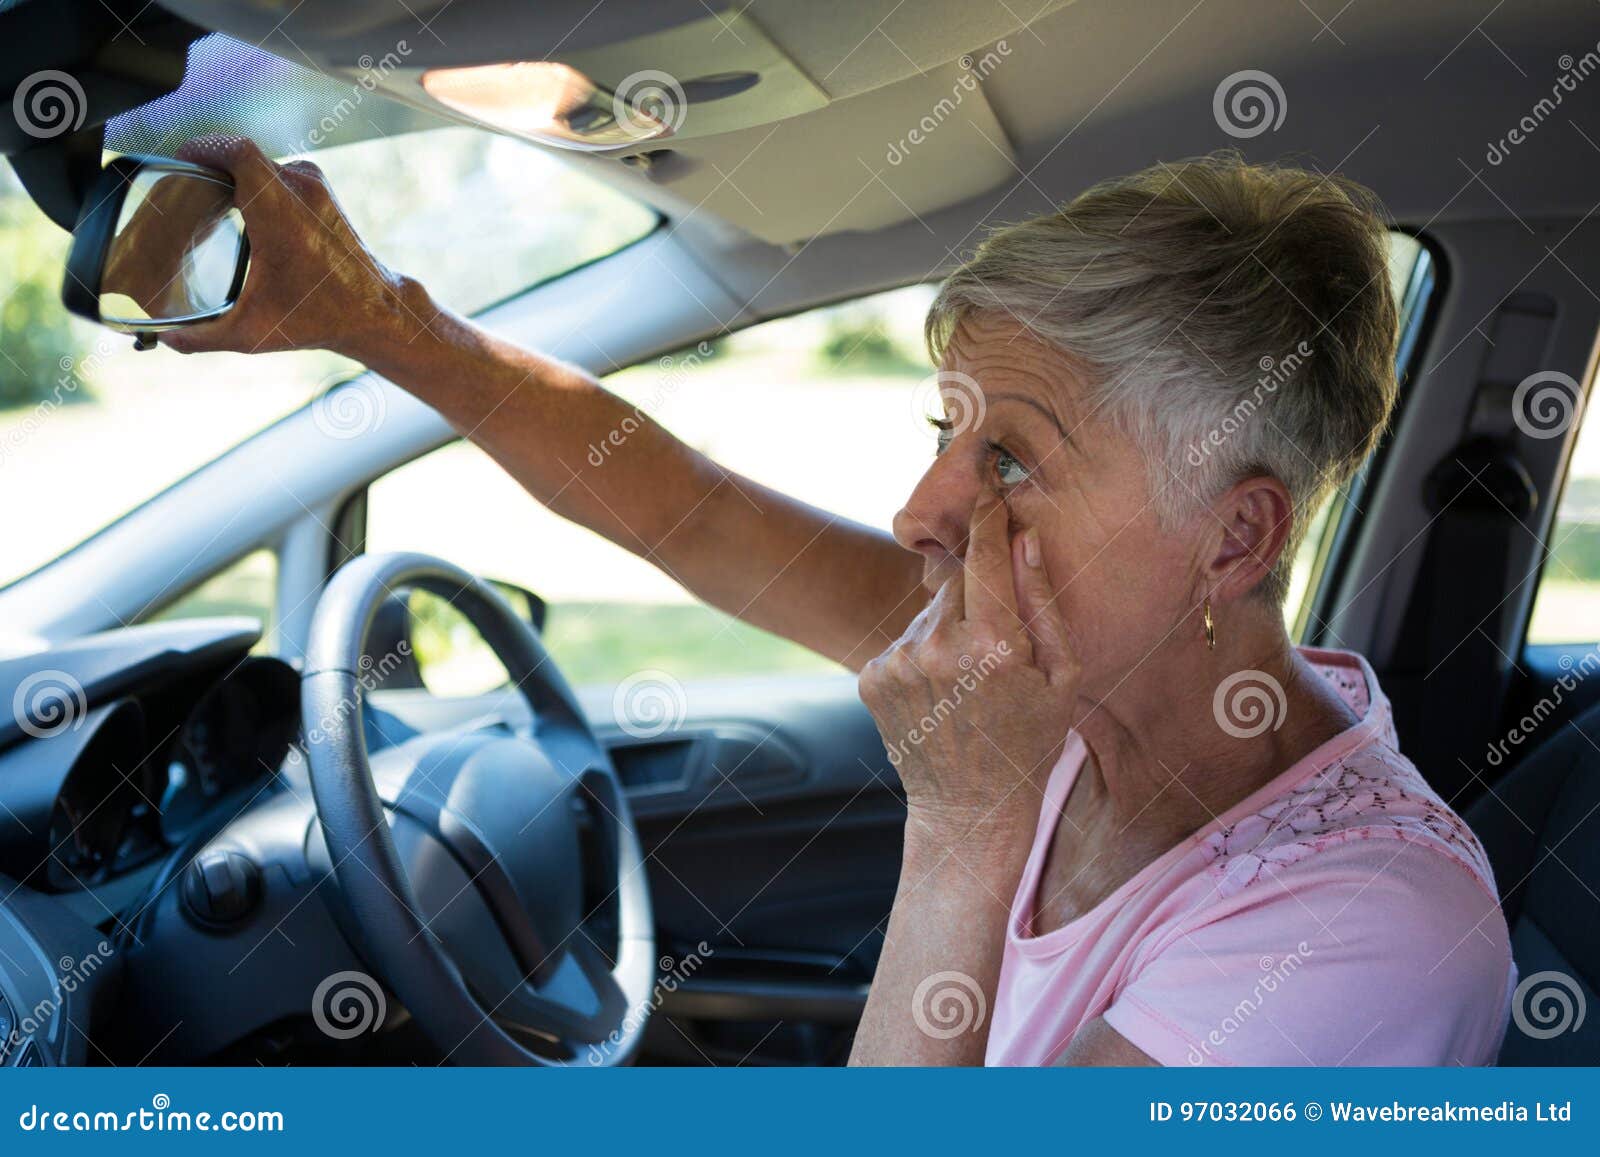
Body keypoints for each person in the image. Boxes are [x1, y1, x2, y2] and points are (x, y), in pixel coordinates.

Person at [157, 136, 1513, 1066]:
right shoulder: (1071, 669)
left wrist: (968, 821)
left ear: (1236, 535)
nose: (922, 513)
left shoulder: (1367, 924)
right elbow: (677, 502)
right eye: (945, 431)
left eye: (1012, 459)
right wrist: (372, 315)